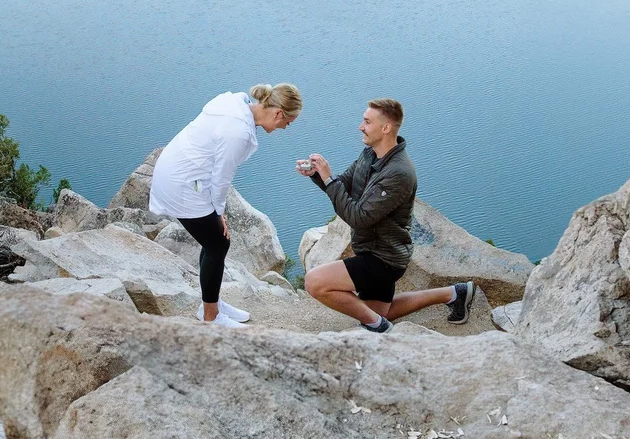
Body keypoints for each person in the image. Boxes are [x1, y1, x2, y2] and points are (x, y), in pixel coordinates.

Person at [297, 98, 475, 332]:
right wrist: (318, 175)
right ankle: (455, 293)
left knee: (315, 282)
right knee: (380, 311)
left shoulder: (399, 173)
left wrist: (329, 180)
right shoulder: (369, 155)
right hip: (371, 250)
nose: (361, 126)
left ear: (386, 128)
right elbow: (343, 185)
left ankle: (378, 328)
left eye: (367, 121)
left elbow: (358, 217)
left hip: (383, 259)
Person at [149, 83, 302, 327]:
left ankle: (212, 303)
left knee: (215, 242)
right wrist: (219, 213)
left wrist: (217, 212)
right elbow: (222, 178)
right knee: (218, 242)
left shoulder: (236, 103)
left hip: (182, 171)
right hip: (182, 183)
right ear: (278, 113)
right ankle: (211, 316)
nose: (285, 128)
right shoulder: (238, 132)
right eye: (288, 122)